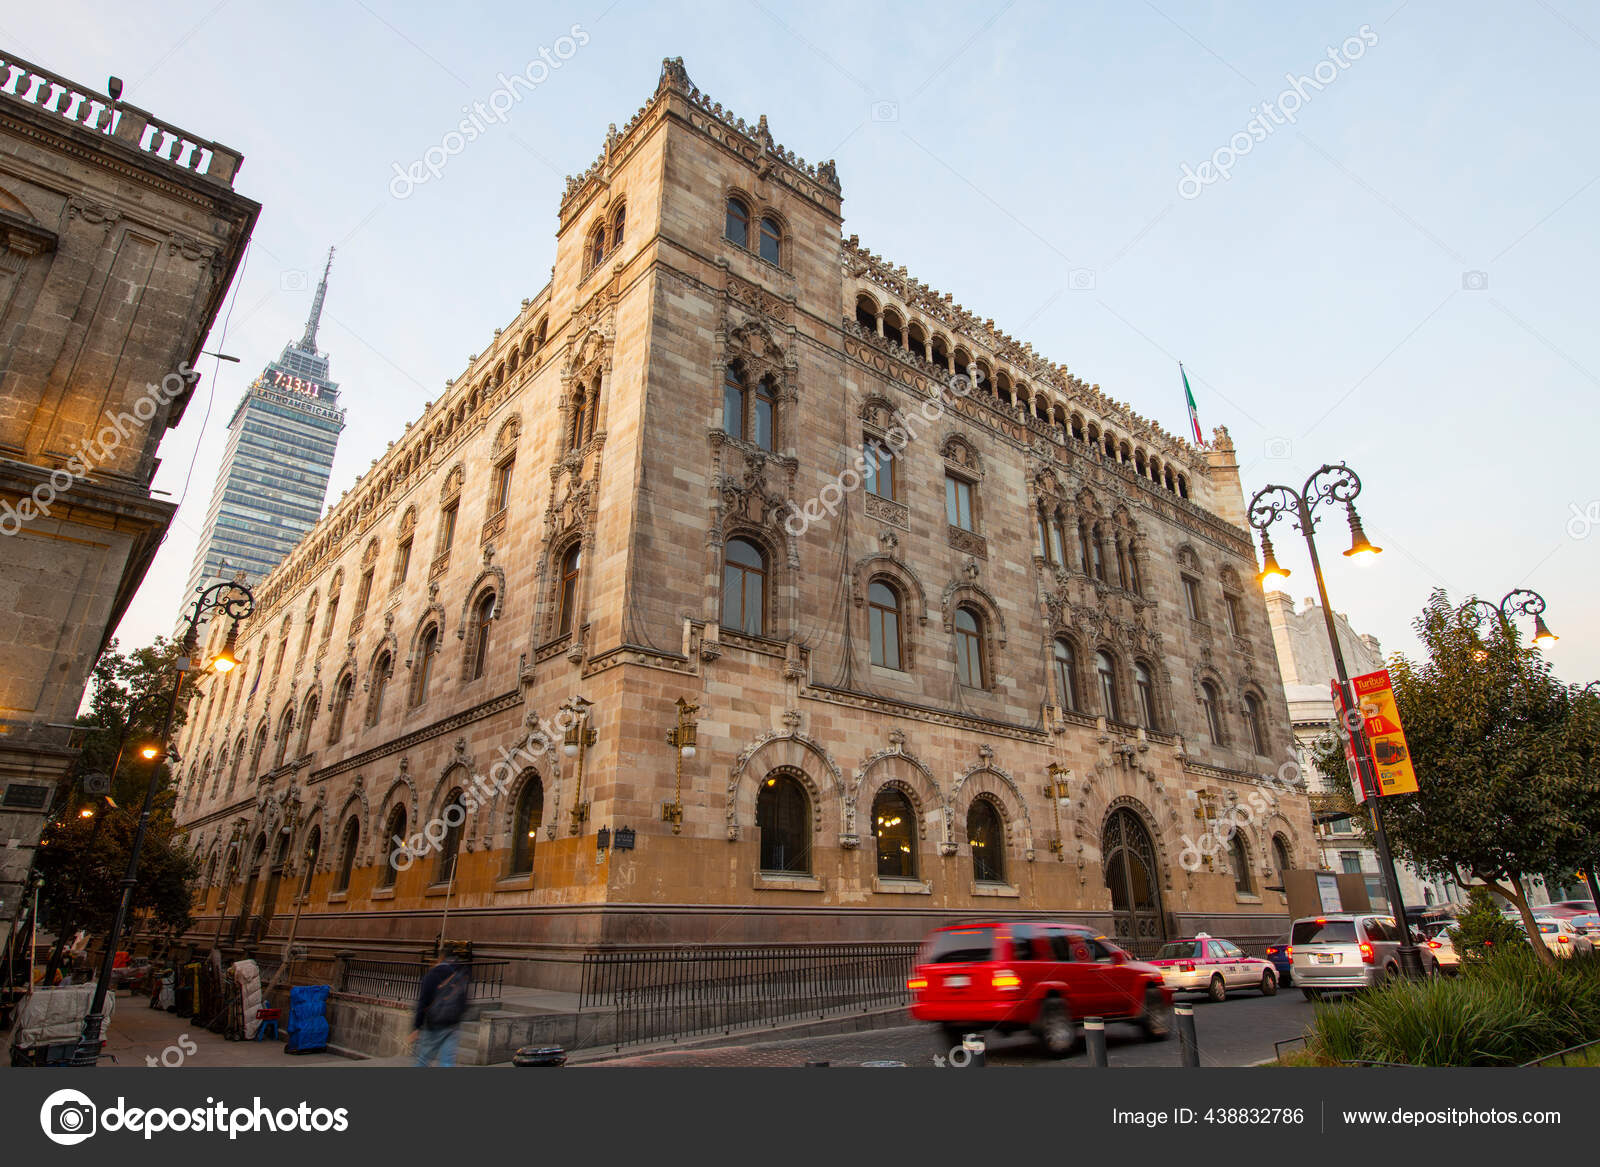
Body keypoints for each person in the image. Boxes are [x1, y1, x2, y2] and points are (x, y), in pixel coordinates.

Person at [410, 954, 470, 1067]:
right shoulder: (459, 977)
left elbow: (423, 1002)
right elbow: (464, 1001)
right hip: (453, 1024)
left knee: (424, 1058)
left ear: (439, 959)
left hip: (434, 1023)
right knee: (447, 1061)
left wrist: (417, 1027)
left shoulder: (431, 976)